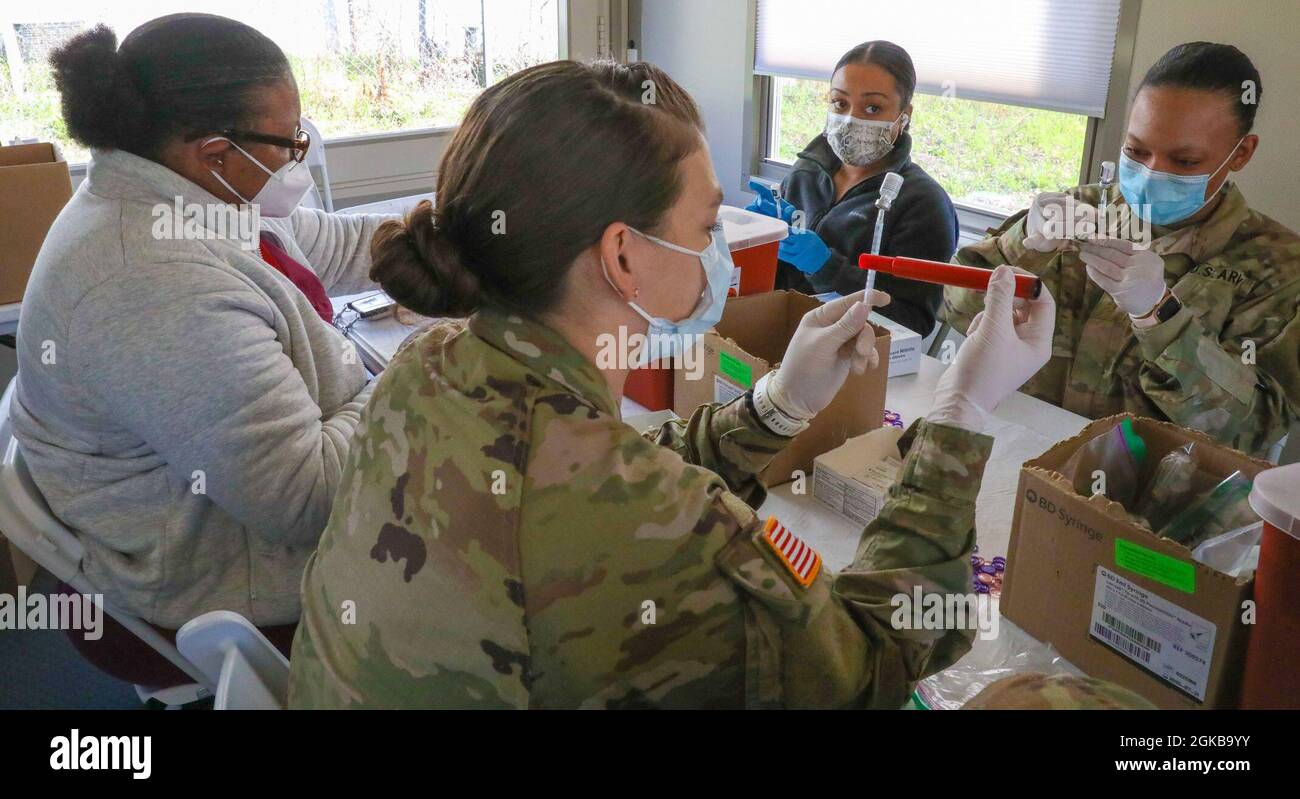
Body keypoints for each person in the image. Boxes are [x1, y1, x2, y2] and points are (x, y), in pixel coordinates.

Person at [287, 59, 1054, 709]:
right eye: (707, 225)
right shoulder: (659, 523)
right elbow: (871, 655)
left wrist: (779, 404)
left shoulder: (426, 367)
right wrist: (963, 411)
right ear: (624, 258)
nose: (717, 249)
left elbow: (623, 468)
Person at [11, 14, 395, 685]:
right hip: (215, 585)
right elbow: (306, 498)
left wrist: (432, 239)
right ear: (215, 150)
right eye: (289, 143)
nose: (298, 156)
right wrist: (413, 377)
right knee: (496, 557)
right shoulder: (149, 282)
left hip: (224, 509)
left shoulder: (179, 189)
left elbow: (320, 243)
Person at [941, 42, 1300, 457]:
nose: (1151, 173)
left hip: (1144, 500)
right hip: (1014, 454)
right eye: (1136, 151)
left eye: (1184, 162)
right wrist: (1023, 245)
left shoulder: (1278, 268)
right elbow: (954, 308)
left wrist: (1160, 317)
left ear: (1241, 153)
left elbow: (1253, 429)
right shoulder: (1078, 211)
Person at [750, 41, 958, 338]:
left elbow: (912, 322)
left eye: (873, 108)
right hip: (777, 338)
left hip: (852, 358)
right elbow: (772, 284)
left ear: (904, 114)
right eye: (840, 103)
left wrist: (828, 268)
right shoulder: (805, 175)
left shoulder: (923, 204)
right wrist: (756, 241)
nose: (850, 119)